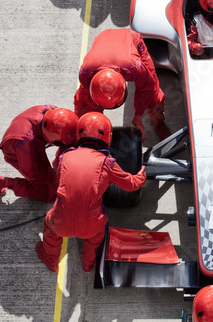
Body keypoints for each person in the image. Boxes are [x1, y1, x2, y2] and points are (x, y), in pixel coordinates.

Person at [35, 112, 145, 273]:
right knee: (95, 237)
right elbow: (131, 185)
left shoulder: (65, 156)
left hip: (61, 222)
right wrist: (141, 175)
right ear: (107, 136)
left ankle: (51, 261)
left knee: (50, 228)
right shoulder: (107, 162)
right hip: (90, 226)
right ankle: (88, 265)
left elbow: (58, 179)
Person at [74, 27, 169, 141]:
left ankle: (158, 123)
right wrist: (98, 120)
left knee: (154, 95)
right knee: (82, 103)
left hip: (131, 38)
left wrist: (138, 116)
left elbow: (146, 90)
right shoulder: (85, 72)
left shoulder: (135, 67)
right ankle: (80, 131)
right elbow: (88, 97)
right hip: (103, 38)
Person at [0, 106, 78, 202]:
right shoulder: (27, 145)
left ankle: (56, 166)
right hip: (14, 151)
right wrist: (56, 177)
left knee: (70, 142)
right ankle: (1, 182)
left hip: (29, 136)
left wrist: (59, 164)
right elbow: (34, 174)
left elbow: (69, 141)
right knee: (50, 194)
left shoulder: (53, 113)